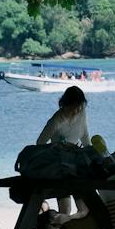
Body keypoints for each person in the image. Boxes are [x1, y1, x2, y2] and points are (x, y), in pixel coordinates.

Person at [34, 85, 90, 216]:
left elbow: (85, 136)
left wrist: (90, 153)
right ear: (65, 105)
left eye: (80, 106)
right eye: (75, 107)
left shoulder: (82, 113)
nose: (78, 110)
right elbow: (40, 142)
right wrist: (55, 148)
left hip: (77, 163)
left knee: (83, 208)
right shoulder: (56, 120)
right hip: (61, 166)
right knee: (65, 210)